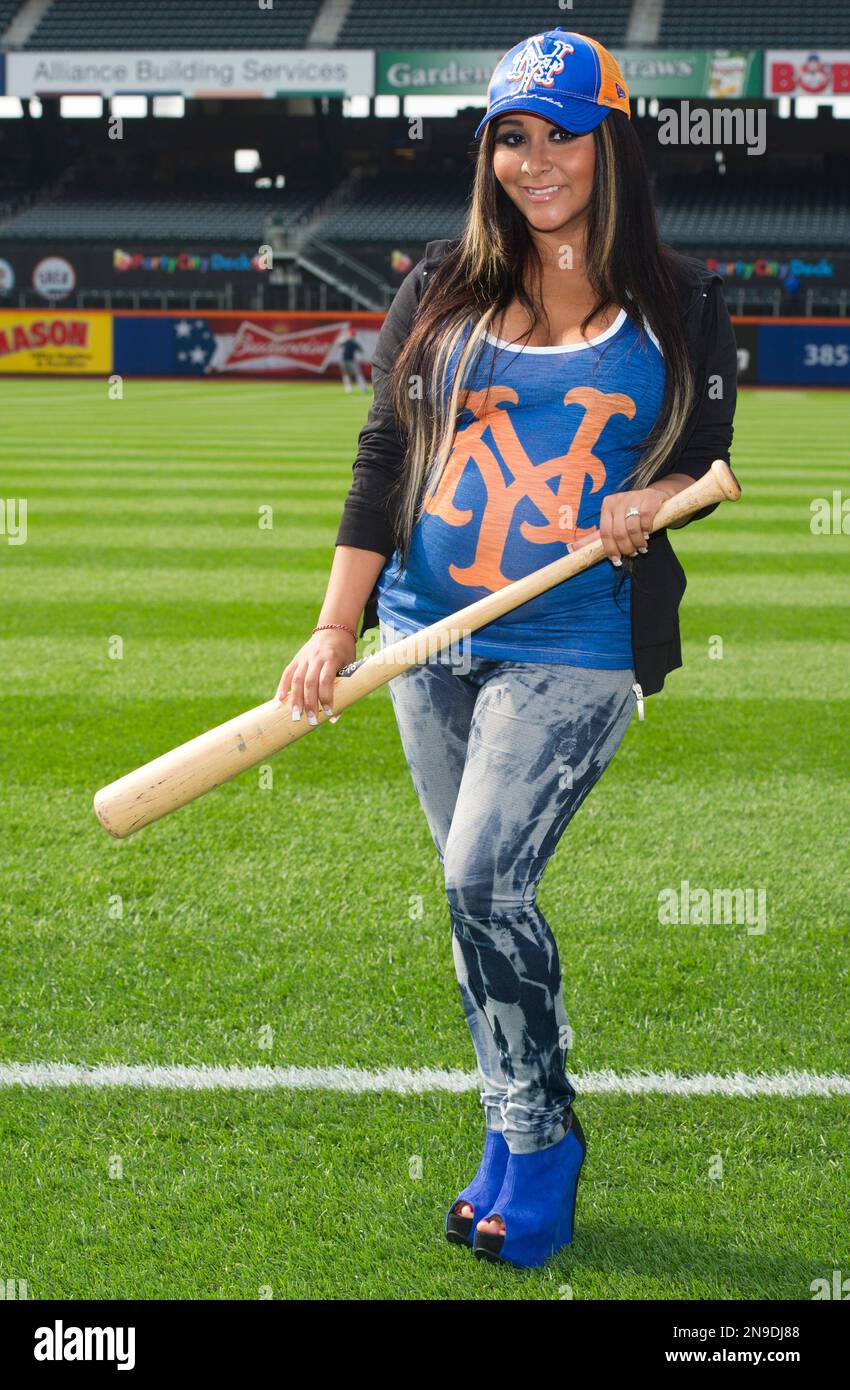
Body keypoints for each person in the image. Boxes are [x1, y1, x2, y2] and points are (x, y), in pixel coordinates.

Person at [274, 26, 738, 1268]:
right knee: (475, 909)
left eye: (561, 134)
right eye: (512, 137)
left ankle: (539, 1139)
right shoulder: (438, 284)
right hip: (426, 636)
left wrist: (653, 499)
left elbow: (699, 464)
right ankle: (508, 1122)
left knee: (482, 881)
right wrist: (333, 626)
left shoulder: (683, 302)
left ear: (610, 143)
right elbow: (384, 460)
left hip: (572, 642)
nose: (536, 161)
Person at [339, 326, 367, 393]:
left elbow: (361, 350)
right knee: (347, 374)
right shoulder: (346, 341)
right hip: (345, 360)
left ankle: (362, 388)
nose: (351, 336)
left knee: (356, 374)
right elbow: (338, 345)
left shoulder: (353, 343)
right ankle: (349, 389)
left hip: (350, 361)